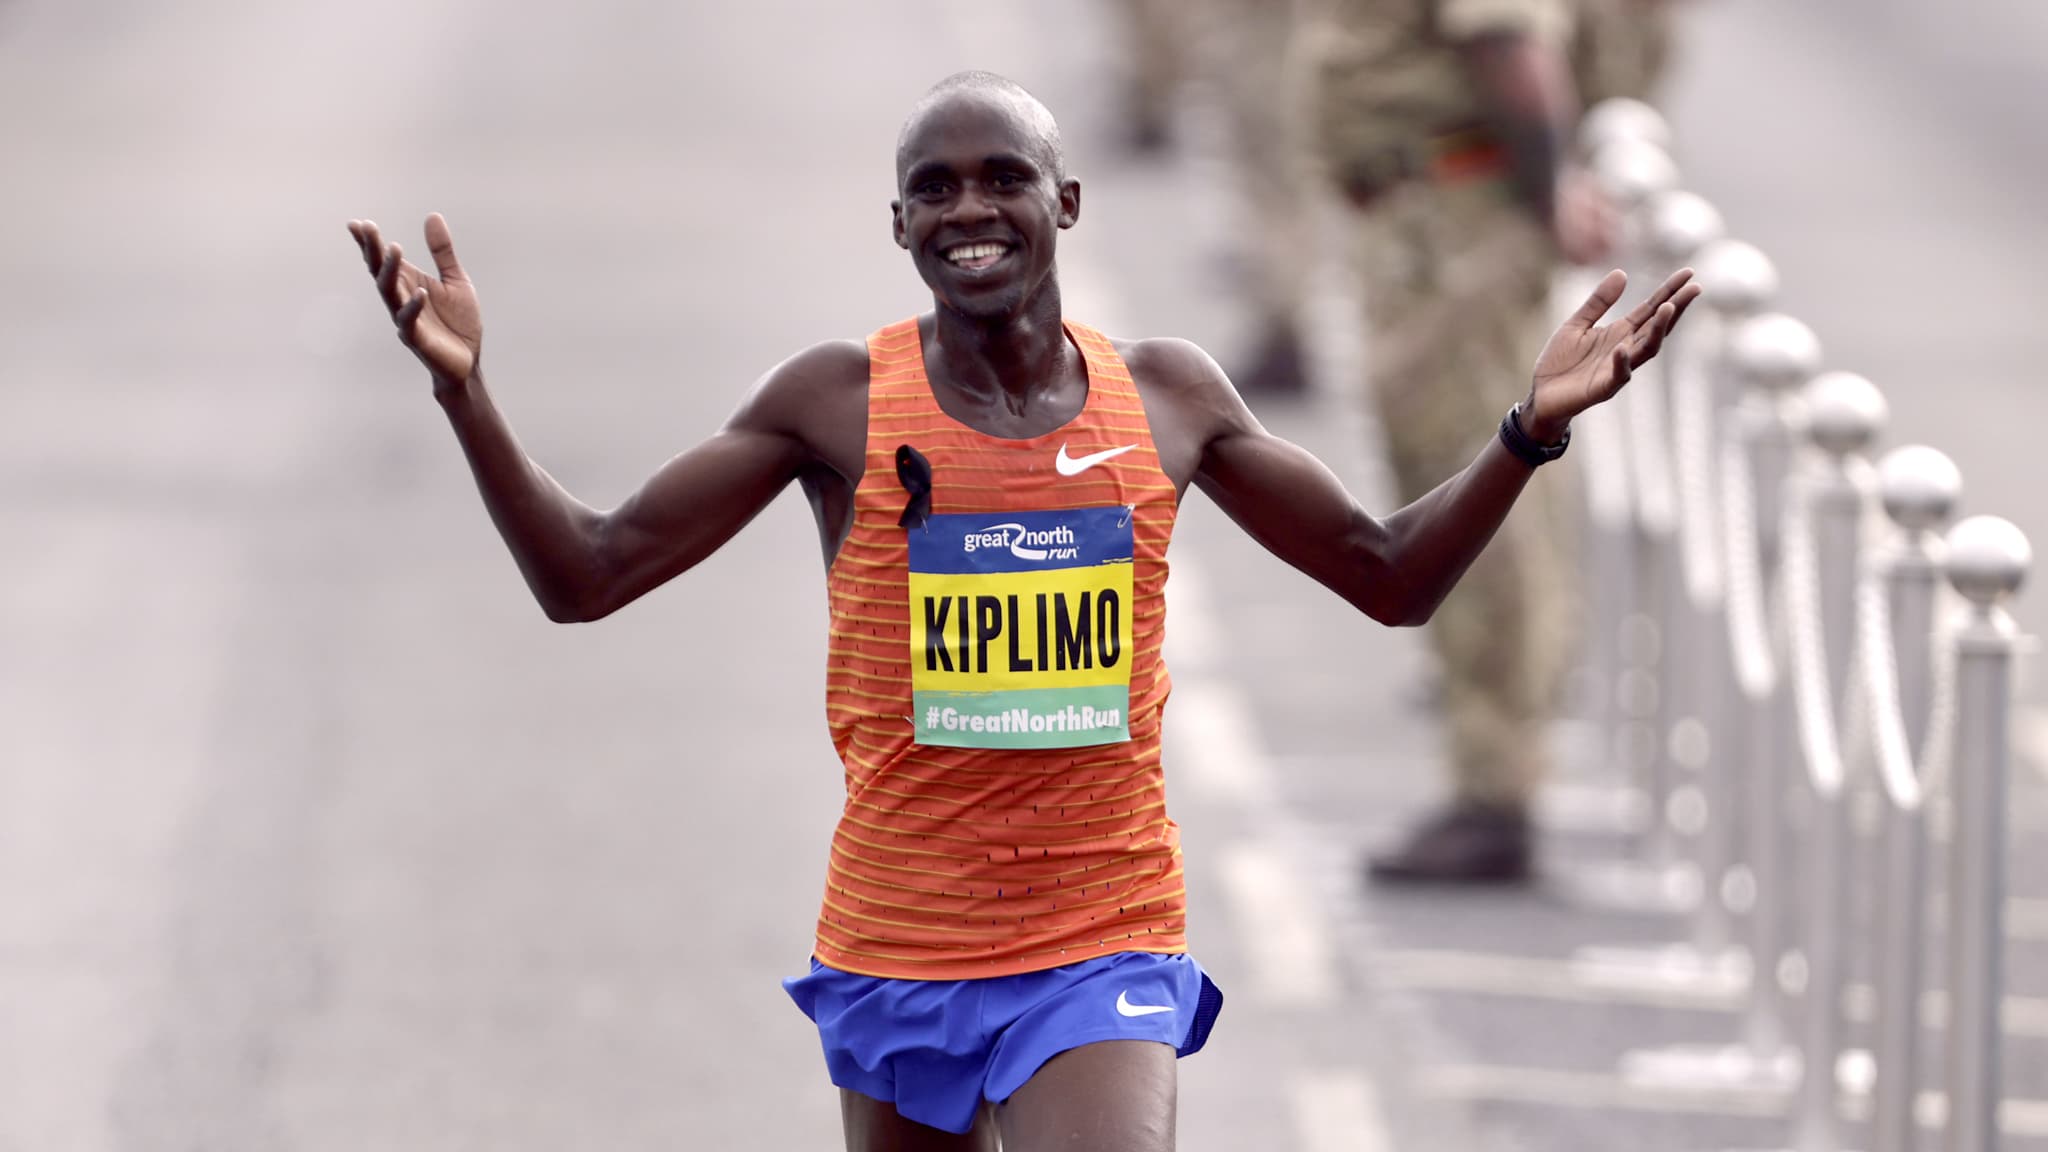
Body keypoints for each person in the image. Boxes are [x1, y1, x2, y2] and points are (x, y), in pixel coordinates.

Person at [348, 69, 1694, 1152]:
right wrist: (467, 396)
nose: (967, 208)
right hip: (899, 937)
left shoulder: (1165, 400)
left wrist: (1524, 433)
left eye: (1002, 179)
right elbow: (588, 575)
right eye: (932, 189)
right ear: (897, 227)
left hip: (1099, 933)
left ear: (1067, 200)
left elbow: (1388, 575)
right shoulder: (833, 403)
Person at [1312, 0, 1620, 884]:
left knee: (1479, 498)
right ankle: (1496, 760)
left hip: (1452, 223)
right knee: (1469, 485)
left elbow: (1508, 39)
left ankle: (1496, 790)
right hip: (1431, 213)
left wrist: (1553, 186)